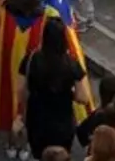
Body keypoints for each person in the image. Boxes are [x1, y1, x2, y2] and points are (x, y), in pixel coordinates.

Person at [17, 16, 86, 159]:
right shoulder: (71, 64)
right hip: (63, 121)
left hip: (37, 119)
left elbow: (20, 91)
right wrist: (69, 93)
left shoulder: (31, 59)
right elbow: (83, 97)